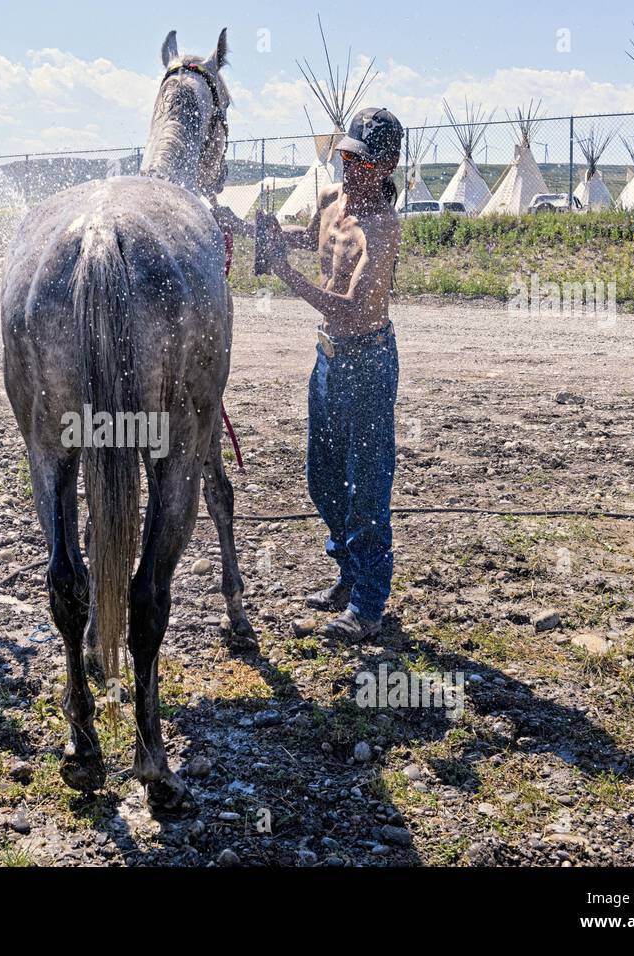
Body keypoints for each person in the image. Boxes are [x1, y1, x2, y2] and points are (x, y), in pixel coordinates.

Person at [255, 107, 403, 640]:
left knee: (366, 484)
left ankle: (368, 603)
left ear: (385, 165)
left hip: (367, 360)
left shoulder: (382, 231)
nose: (348, 167)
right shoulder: (329, 203)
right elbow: (313, 236)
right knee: (322, 476)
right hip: (328, 360)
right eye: (344, 155)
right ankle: (348, 572)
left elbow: (347, 307)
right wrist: (276, 234)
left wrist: (283, 273)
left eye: (360, 160)